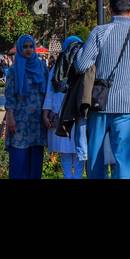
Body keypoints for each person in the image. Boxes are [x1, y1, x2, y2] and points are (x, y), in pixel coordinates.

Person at [73, 0, 130, 179]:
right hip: (129, 106)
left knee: (96, 161)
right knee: (123, 161)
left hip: (100, 104)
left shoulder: (100, 32)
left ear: (110, 10)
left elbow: (81, 65)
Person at [3, 34, 48, 178]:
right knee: (19, 159)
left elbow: (48, 92)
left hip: (37, 121)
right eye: (25, 46)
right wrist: (10, 116)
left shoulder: (41, 67)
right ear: (19, 48)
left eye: (30, 46)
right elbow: (9, 95)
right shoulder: (13, 70)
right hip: (20, 121)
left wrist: (47, 113)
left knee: (35, 160)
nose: (28, 50)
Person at [43, 35, 85, 179]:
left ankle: (75, 177)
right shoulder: (58, 67)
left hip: (75, 114)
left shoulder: (83, 66)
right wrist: (46, 113)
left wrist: (47, 112)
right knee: (68, 151)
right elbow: (50, 92)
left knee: (77, 151)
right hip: (63, 114)